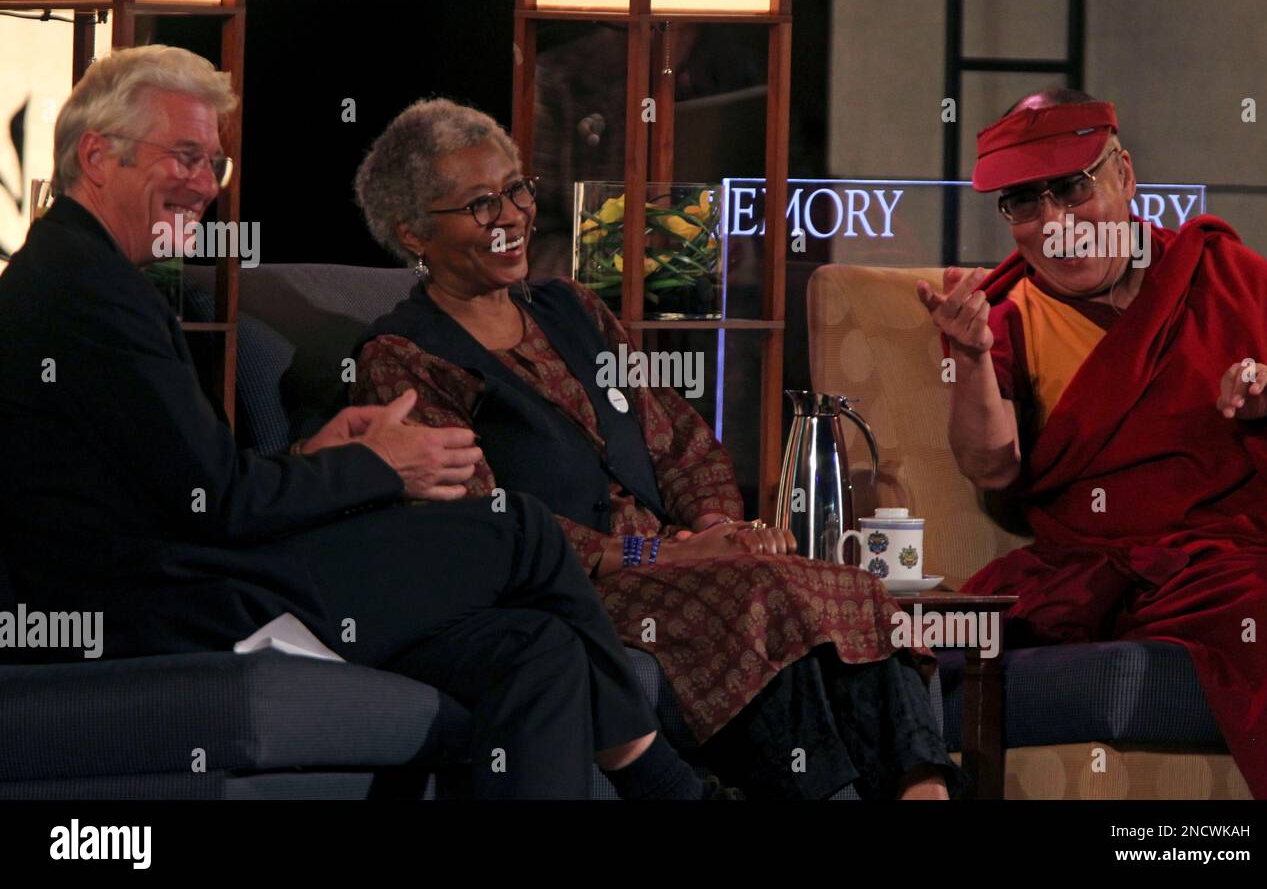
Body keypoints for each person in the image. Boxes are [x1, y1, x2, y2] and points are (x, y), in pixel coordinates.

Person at [0, 43, 730, 801]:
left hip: (184, 572)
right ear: (96, 154)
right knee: (520, 529)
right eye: (184, 157)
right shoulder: (85, 291)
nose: (203, 186)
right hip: (160, 603)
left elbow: (191, 480)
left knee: (535, 648)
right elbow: (215, 504)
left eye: (211, 165)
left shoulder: (87, 275)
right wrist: (384, 466)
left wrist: (316, 452)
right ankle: (660, 780)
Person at [349, 97, 966, 800]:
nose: (513, 217)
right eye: (480, 204)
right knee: (763, 595)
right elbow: (490, 528)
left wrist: (713, 529)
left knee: (844, 585)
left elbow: (681, 441)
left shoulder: (577, 310)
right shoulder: (405, 357)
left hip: (683, 564)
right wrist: (666, 554)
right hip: (575, 591)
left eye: (516, 189)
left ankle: (924, 791)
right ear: (413, 233)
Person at [917, 88, 1267, 799]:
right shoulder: (1003, 319)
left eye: (1070, 189)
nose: (1055, 224)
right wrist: (968, 359)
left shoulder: (1220, 275)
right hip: (1098, 568)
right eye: (1024, 203)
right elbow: (992, 465)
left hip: (1229, 555)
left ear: (1123, 174)